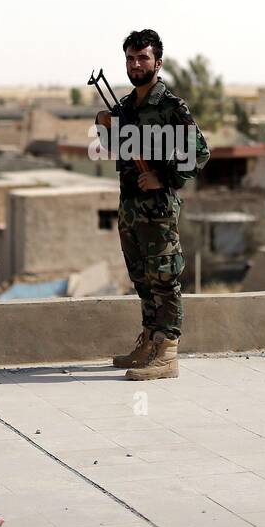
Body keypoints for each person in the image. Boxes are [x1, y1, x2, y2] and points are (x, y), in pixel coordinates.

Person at [95, 29, 210, 380]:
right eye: (130, 58)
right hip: (130, 207)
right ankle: (149, 341)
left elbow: (200, 152)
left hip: (158, 208)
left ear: (157, 63)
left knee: (164, 279)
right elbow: (110, 146)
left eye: (143, 57)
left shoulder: (171, 107)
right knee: (142, 279)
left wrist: (164, 177)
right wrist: (104, 123)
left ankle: (168, 352)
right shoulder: (126, 107)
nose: (135, 64)